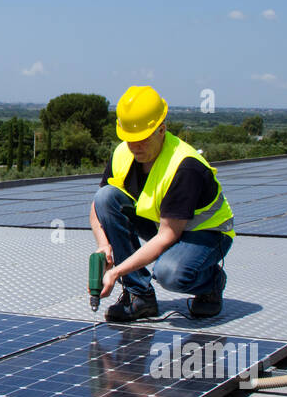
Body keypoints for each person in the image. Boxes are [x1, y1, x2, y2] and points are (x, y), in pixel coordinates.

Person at [90, 86, 235, 322]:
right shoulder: (122, 154)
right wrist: (103, 244)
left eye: (143, 140)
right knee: (106, 197)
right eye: (129, 140)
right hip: (164, 223)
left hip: (207, 234)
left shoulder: (185, 166)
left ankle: (211, 283)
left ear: (161, 129)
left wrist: (116, 271)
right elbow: (97, 209)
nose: (135, 147)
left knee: (169, 273)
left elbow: (167, 236)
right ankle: (140, 296)